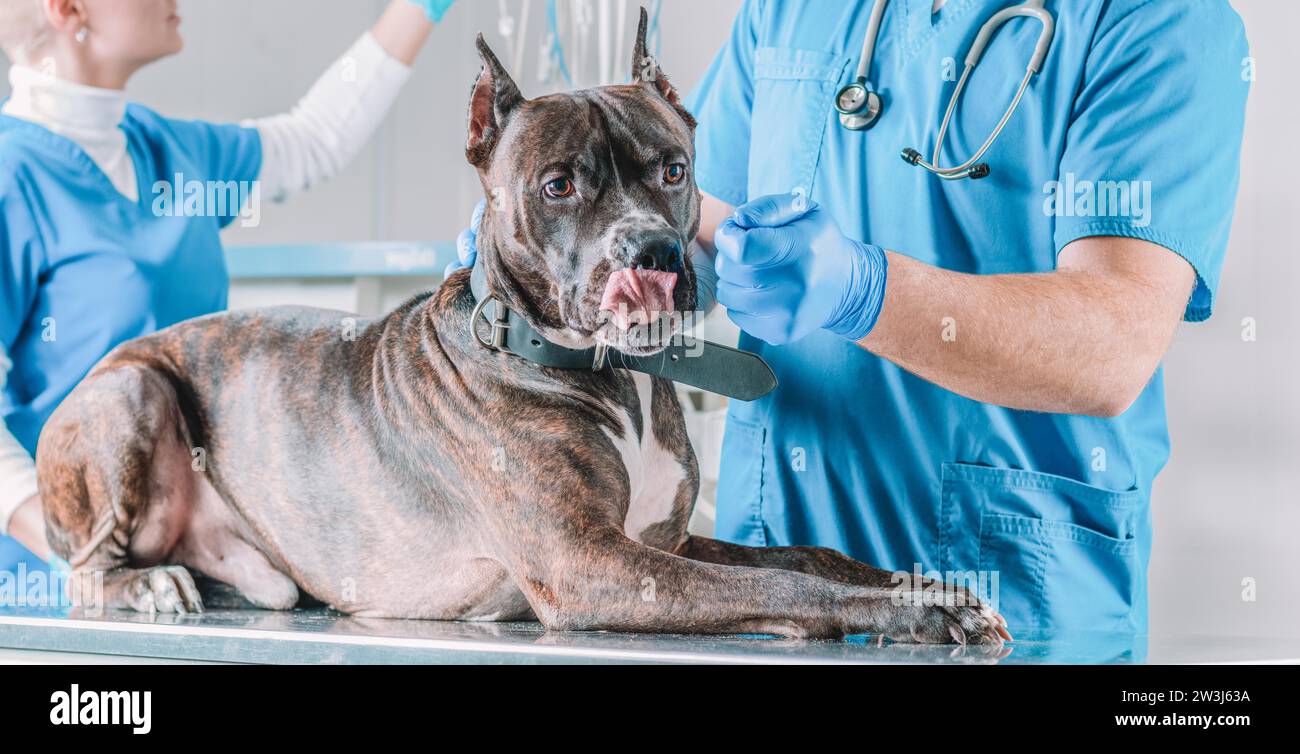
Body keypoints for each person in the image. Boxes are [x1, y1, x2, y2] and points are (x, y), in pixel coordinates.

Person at [458, 0, 1250, 635]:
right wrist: (558, 258)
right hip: (765, 594)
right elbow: (688, 218)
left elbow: (1113, 345)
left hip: (1008, 591)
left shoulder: (1158, 21)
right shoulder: (790, 11)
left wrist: (860, 290)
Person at [0, 0, 457, 579]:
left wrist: (419, 9)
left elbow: (316, 139)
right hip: (56, 583)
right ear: (68, 10)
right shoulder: (12, 174)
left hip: (186, 558)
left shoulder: (165, 151)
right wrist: (77, 556)